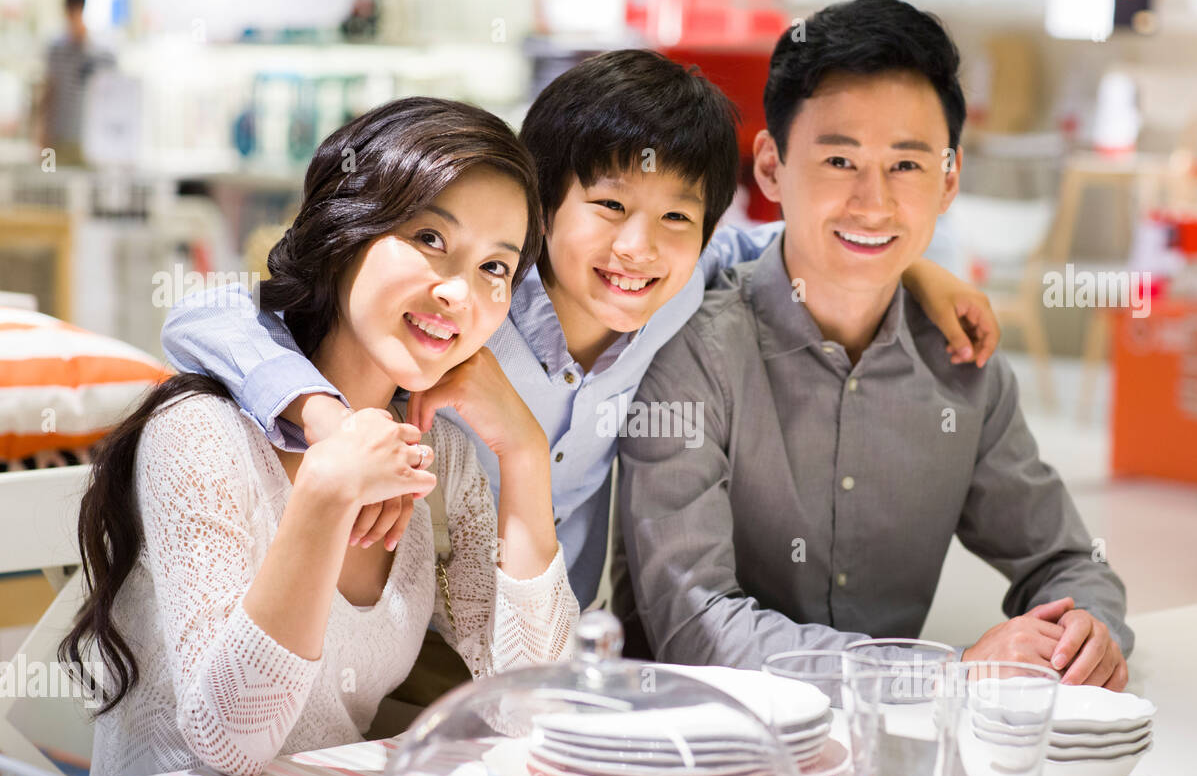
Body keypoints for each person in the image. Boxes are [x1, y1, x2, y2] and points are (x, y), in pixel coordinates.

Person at [159, 50, 1000, 620]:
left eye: (677, 217)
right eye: (607, 208)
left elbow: (781, 251)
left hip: (541, 632)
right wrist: (322, 413)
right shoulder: (470, 298)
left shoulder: (681, 284)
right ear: (542, 200)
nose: (638, 249)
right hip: (393, 628)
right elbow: (209, 312)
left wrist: (925, 274)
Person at [617, 0, 1132, 689]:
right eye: (838, 160)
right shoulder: (694, 355)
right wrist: (939, 675)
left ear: (949, 179)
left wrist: (1084, 631)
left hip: (898, 763)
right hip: (698, 754)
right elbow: (697, 628)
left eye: (908, 166)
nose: (874, 203)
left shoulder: (964, 367)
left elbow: (1068, 562)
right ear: (770, 168)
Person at [62, 98, 578, 776]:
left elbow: (535, 709)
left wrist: (525, 455)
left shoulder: (438, 453)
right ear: (346, 233)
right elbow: (230, 745)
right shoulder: (201, 431)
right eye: (429, 238)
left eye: (495, 268)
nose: (460, 292)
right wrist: (328, 489)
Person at [39, 0, 115, 166]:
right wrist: (43, 133)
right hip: (60, 132)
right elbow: (49, 89)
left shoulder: (102, 52)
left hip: (91, 136)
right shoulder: (55, 49)